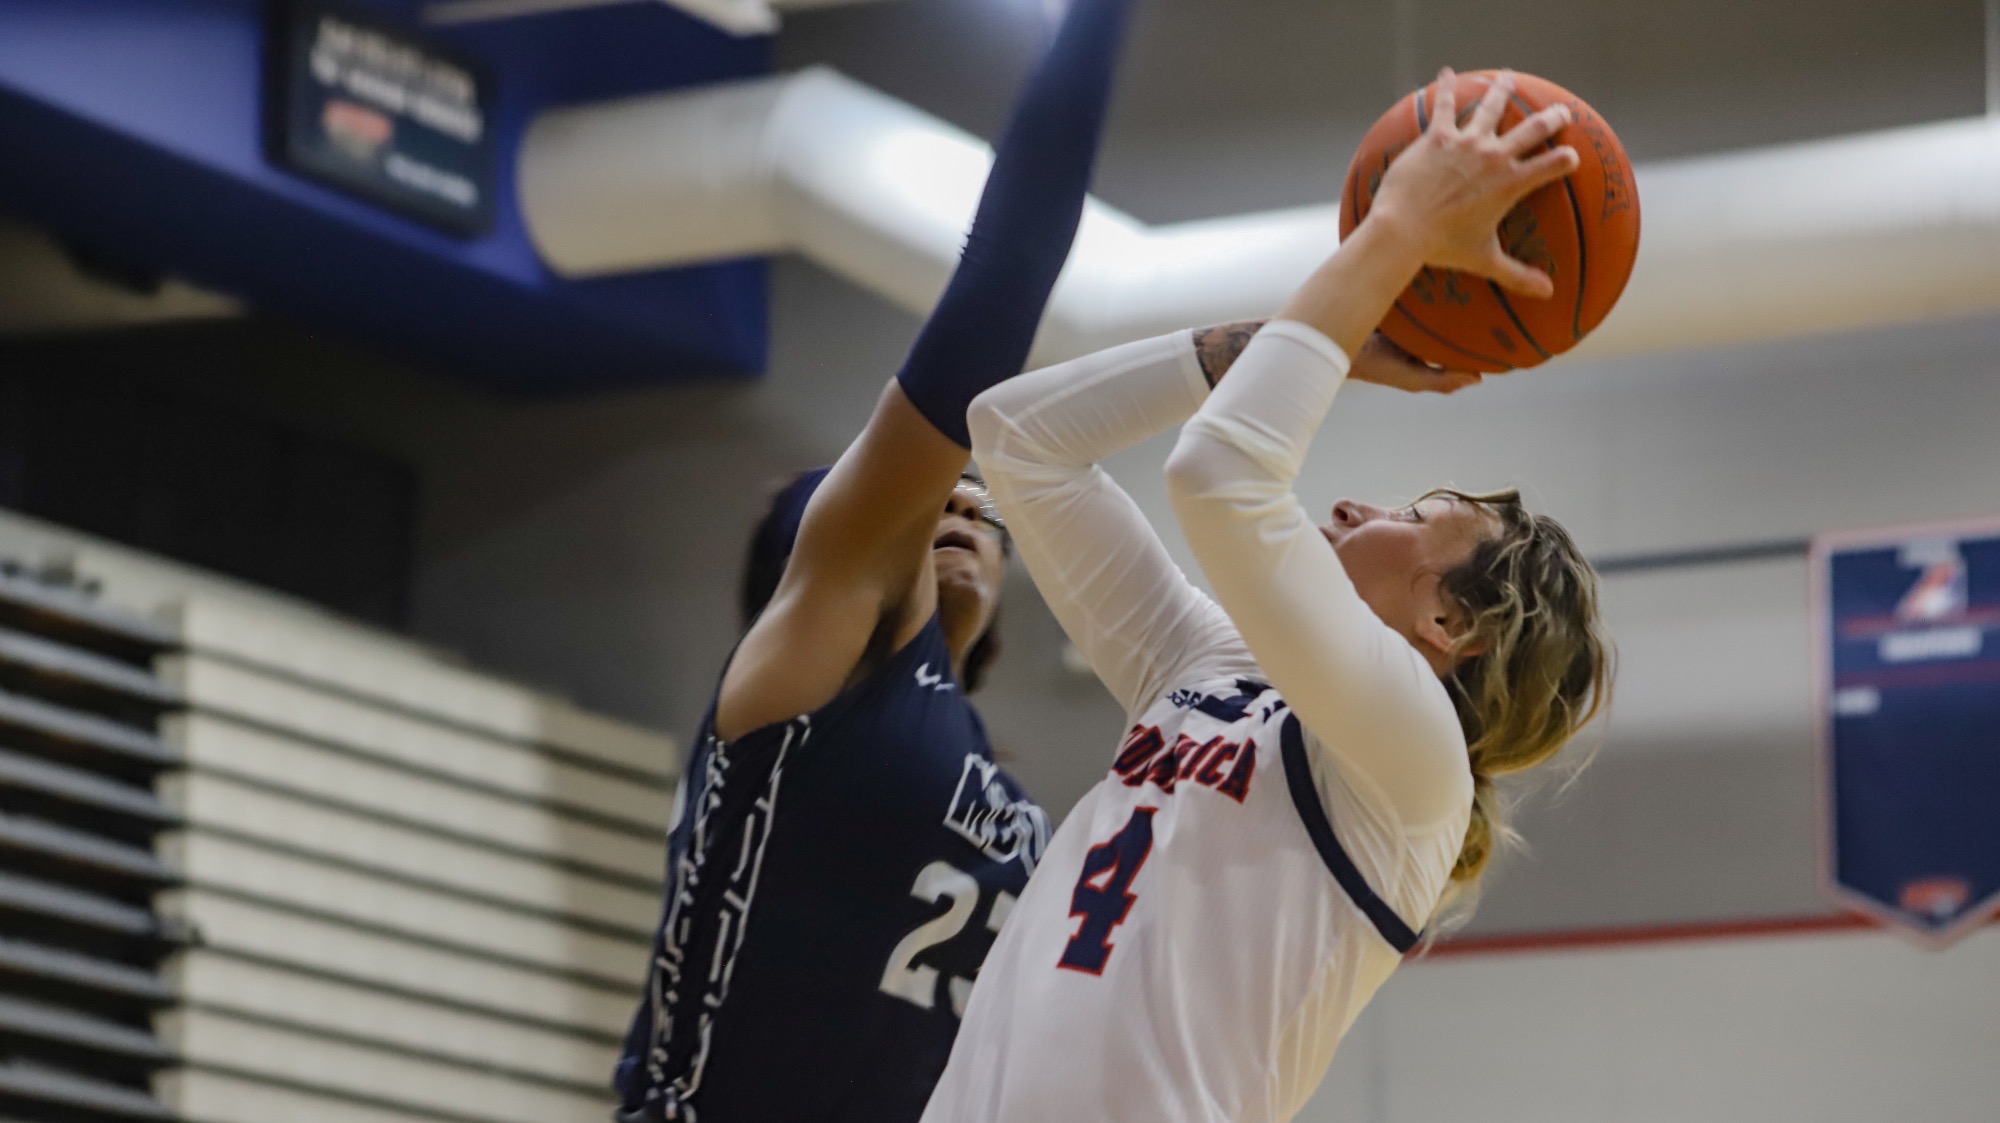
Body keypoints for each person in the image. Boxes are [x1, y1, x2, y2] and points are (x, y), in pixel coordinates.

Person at [927, 69, 1614, 1122]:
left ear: (1449, 624)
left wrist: (1391, 237)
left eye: (1406, 514)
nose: (1348, 505)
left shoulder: (1411, 764)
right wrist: (1280, 343)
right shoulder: (1207, 669)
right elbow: (1018, 439)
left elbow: (1217, 478)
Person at [612, 1, 1135, 1120]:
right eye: (928, 490)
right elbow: (999, 290)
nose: (955, 497)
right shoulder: (832, 665)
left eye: (979, 503)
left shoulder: (1004, 793)